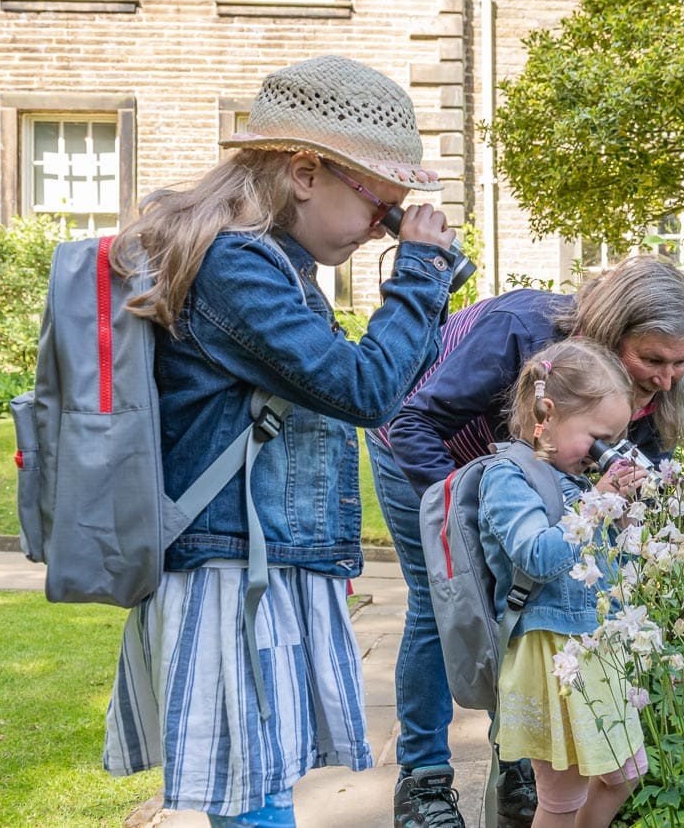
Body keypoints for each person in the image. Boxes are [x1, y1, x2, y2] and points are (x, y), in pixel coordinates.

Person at [101, 55, 459, 825]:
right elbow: (363, 391)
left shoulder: (276, 266)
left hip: (265, 564)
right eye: (380, 206)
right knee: (252, 802)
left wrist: (426, 285)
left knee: (261, 793)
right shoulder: (236, 265)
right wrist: (421, 269)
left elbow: (380, 378)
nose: (381, 229)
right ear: (303, 172)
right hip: (229, 571)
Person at [367, 256, 684, 827]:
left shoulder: (643, 392)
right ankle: (423, 781)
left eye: (681, 363)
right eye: (652, 360)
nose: (667, 378)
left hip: (540, 466)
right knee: (445, 601)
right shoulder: (523, 332)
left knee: (534, 603)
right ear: (611, 330)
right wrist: (470, 522)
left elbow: (629, 490)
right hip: (426, 443)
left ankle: (527, 763)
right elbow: (414, 425)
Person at [481, 338, 650, 828]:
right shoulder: (508, 477)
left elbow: (603, 559)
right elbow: (536, 555)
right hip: (549, 653)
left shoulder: (574, 479)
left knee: (626, 772)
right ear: (548, 414)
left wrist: (624, 514)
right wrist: (597, 502)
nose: (604, 453)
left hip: (590, 647)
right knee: (562, 796)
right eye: (598, 437)